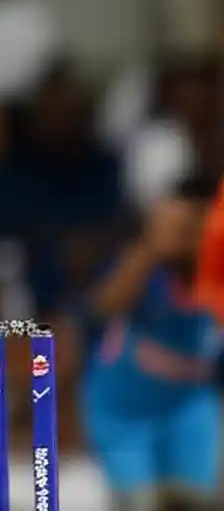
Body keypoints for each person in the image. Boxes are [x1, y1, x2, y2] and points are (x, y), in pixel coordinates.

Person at [84, 176, 223, 511]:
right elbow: (102, 308)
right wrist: (151, 247)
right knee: (140, 504)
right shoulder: (145, 264)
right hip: (124, 413)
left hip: (188, 411)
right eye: (186, 225)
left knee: (196, 502)